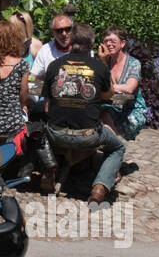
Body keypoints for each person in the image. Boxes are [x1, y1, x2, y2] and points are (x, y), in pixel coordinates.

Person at [41, 22, 125, 206]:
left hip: (56, 133)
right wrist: (103, 63)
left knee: (39, 131)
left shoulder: (54, 66)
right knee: (118, 148)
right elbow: (108, 94)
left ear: (70, 40)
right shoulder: (99, 66)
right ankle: (100, 187)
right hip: (88, 135)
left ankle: (49, 168)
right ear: (93, 43)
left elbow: (47, 107)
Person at [98, 26, 146, 140]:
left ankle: (114, 146)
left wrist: (107, 88)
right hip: (111, 104)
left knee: (104, 110)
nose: (109, 44)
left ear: (122, 43)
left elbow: (129, 88)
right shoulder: (102, 62)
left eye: (113, 41)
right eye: (106, 41)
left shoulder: (134, 63)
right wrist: (103, 63)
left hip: (130, 108)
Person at [30, 12, 74, 97]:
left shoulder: (83, 49)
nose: (64, 34)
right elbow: (32, 78)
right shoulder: (45, 51)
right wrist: (32, 101)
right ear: (52, 32)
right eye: (59, 31)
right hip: (51, 98)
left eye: (67, 29)